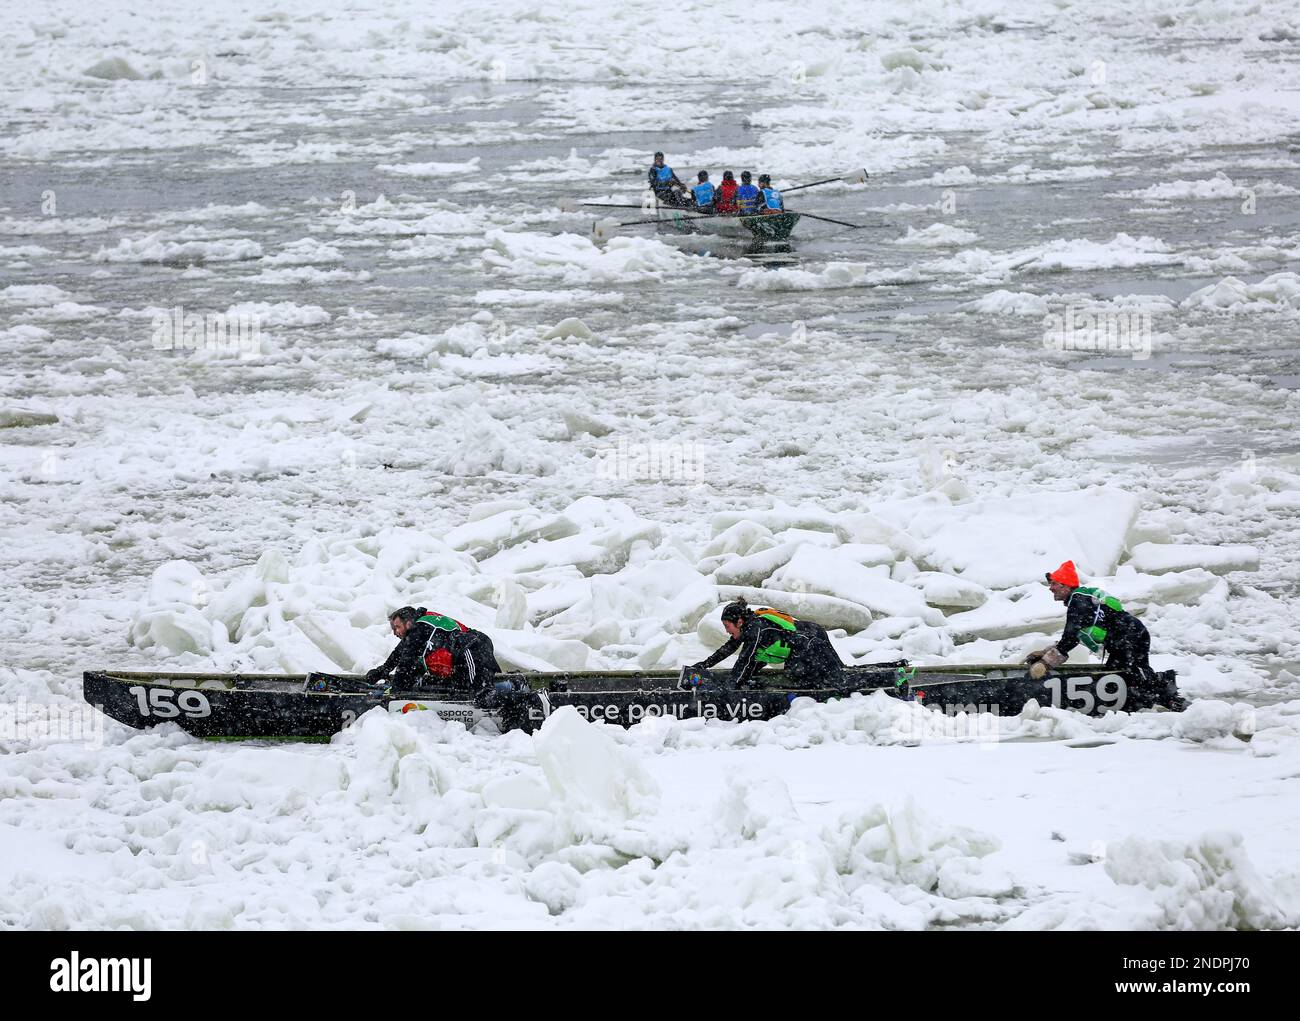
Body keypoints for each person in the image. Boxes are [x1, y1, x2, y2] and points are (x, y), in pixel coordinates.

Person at [1026, 561, 1178, 705]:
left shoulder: (1078, 602)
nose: (1050, 588)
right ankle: (1151, 696)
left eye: (1054, 584)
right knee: (1117, 672)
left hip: (1130, 637)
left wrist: (1045, 663)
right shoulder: (1081, 599)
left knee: (1131, 673)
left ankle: (1165, 691)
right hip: (1130, 636)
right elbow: (1072, 637)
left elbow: (1071, 637)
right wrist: (1047, 652)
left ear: (1066, 586)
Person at [688, 598, 844, 688]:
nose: (727, 631)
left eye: (727, 626)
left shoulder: (756, 630)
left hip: (812, 640)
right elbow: (727, 650)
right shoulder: (747, 628)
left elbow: (745, 660)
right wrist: (702, 665)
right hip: (805, 645)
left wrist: (729, 687)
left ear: (739, 621)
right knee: (748, 675)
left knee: (825, 676)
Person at [367, 606, 501, 692]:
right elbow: (399, 653)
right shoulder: (420, 628)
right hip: (472, 648)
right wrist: (381, 671)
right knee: (468, 686)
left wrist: (394, 691)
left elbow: (405, 662)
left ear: (408, 623)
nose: (395, 633)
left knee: (482, 692)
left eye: (396, 627)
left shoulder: (419, 628)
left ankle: (508, 698)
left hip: (473, 647)